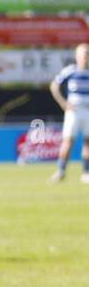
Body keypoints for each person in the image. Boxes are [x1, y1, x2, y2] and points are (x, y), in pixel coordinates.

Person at [49, 43, 89, 183]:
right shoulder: (70, 71)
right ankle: (61, 171)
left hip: (87, 111)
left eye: (87, 54)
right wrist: (63, 103)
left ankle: (86, 173)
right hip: (74, 112)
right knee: (68, 141)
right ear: (77, 56)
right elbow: (54, 86)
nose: (86, 57)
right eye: (83, 54)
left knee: (87, 142)